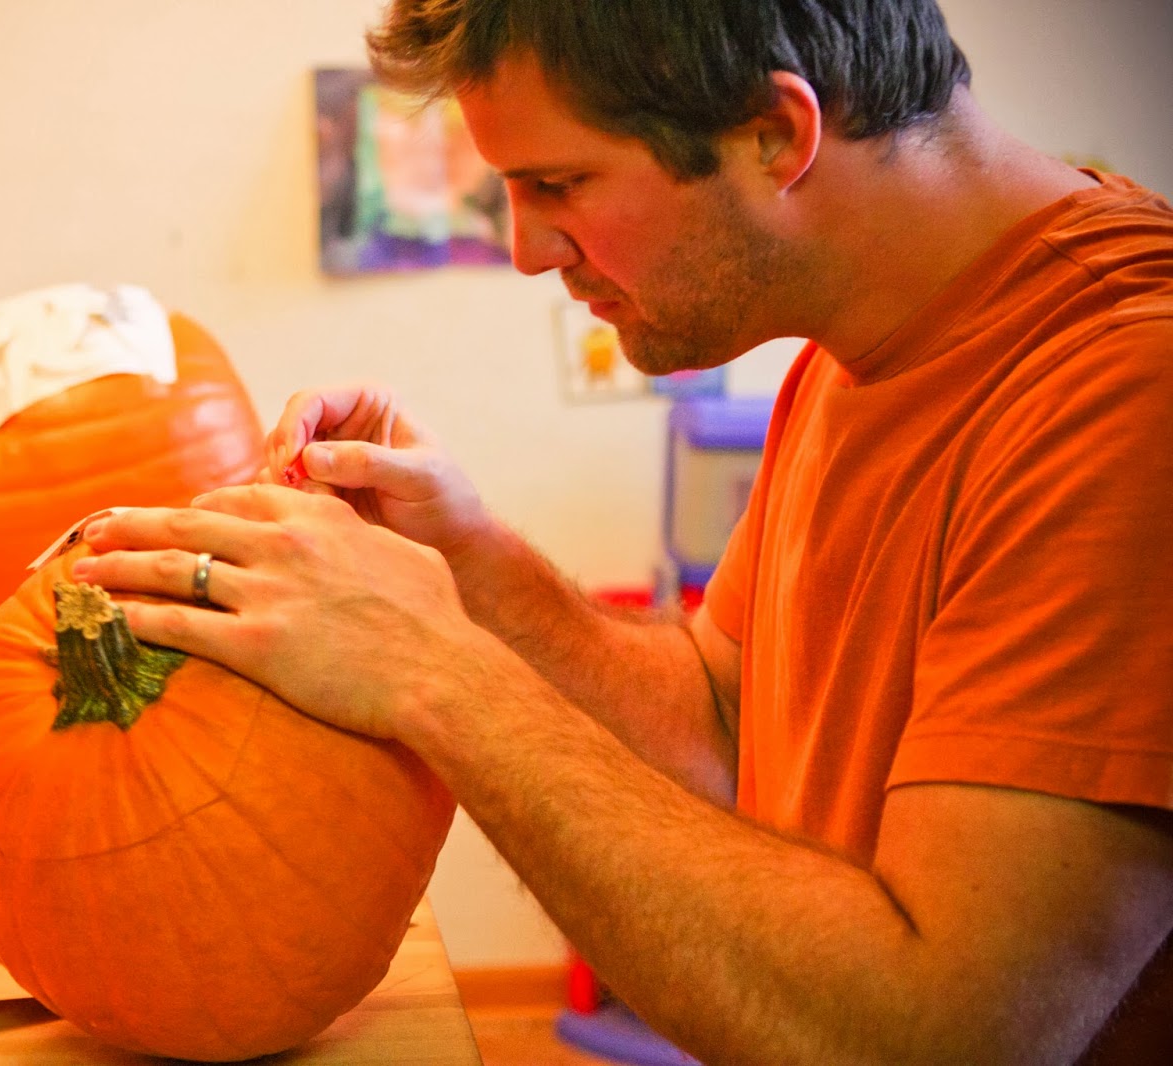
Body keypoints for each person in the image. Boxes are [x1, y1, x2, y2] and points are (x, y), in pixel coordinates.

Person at [70, 2, 1173, 1061]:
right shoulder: (850, 344)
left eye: (557, 183)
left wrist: (432, 672)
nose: (527, 250)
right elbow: (724, 725)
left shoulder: (1125, 396)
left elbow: (934, 1035)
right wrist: (469, 560)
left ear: (775, 132)